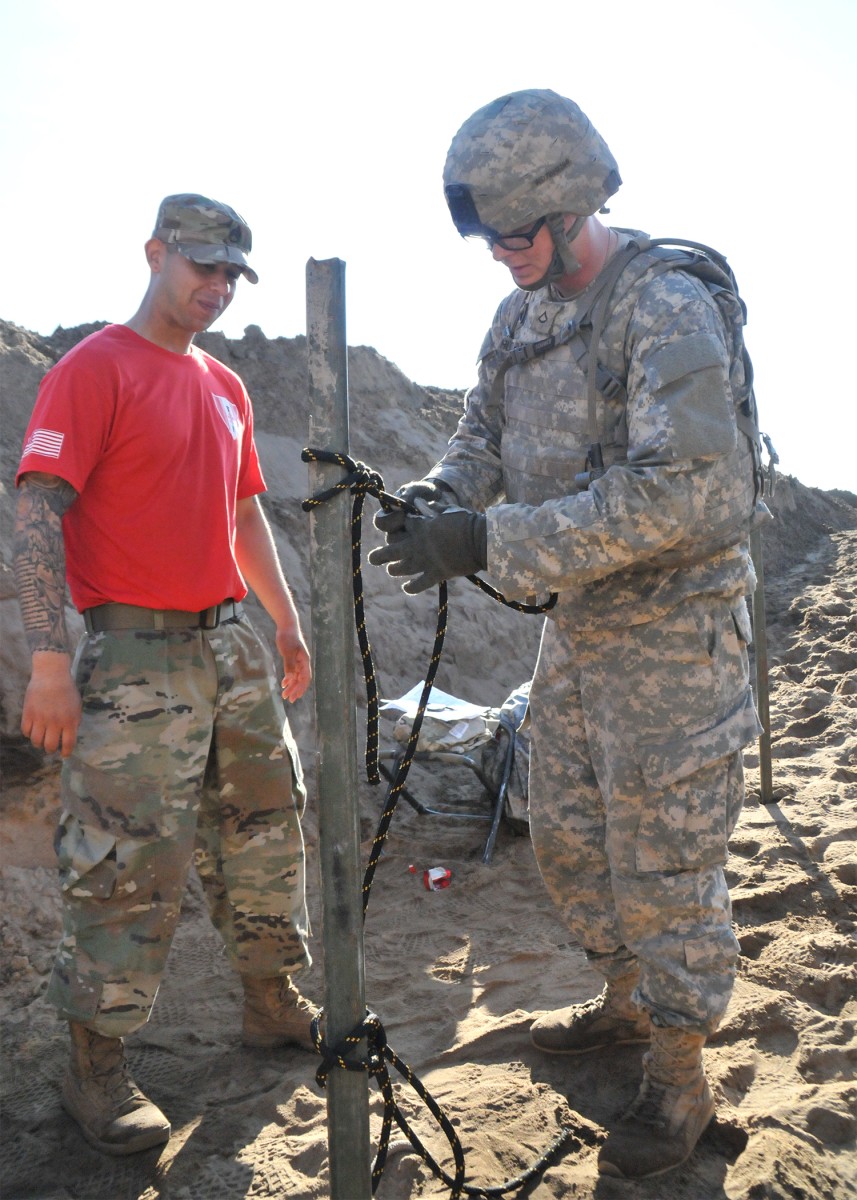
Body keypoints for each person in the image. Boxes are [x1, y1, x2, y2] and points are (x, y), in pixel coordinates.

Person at [370, 90, 769, 1180]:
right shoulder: (521, 317)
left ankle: (678, 1077)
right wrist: (440, 497)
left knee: (665, 860)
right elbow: (481, 434)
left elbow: (683, 493)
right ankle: (625, 1002)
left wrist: (485, 541)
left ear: (569, 206)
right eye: (489, 240)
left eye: (514, 235)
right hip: (580, 628)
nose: (501, 257)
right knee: (567, 837)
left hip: (675, 636)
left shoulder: (665, 305)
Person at [13, 194, 315, 1157]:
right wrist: (49, 660)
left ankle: (270, 998)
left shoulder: (226, 385)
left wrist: (283, 621)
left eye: (232, 274)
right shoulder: (93, 369)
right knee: (125, 858)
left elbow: (244, 511)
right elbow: (37, 514)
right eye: (202, 266)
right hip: (133, 655)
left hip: (231, 644)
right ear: (155, 253)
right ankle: (93, 1064)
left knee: (264, 827)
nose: (217, 286)